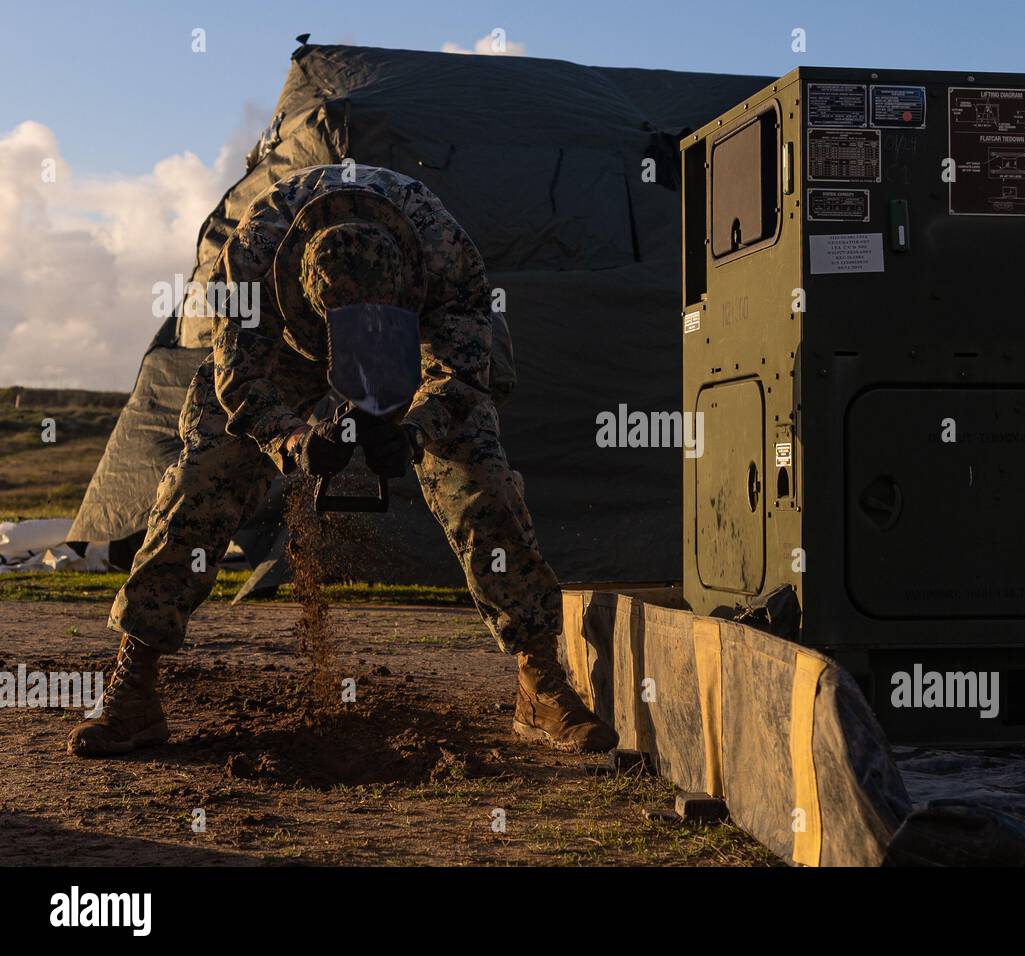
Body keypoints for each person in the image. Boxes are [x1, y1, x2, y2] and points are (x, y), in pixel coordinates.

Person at [67, 164, 617, 758]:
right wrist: (294, 442)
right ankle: (134, 687)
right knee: (203, 477)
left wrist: (410, 434)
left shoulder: (443, 250)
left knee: (483, 480)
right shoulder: (252, 254)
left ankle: (540, 683)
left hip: (421, 338)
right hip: (284, 347)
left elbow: (461, 376)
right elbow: (242, 386)